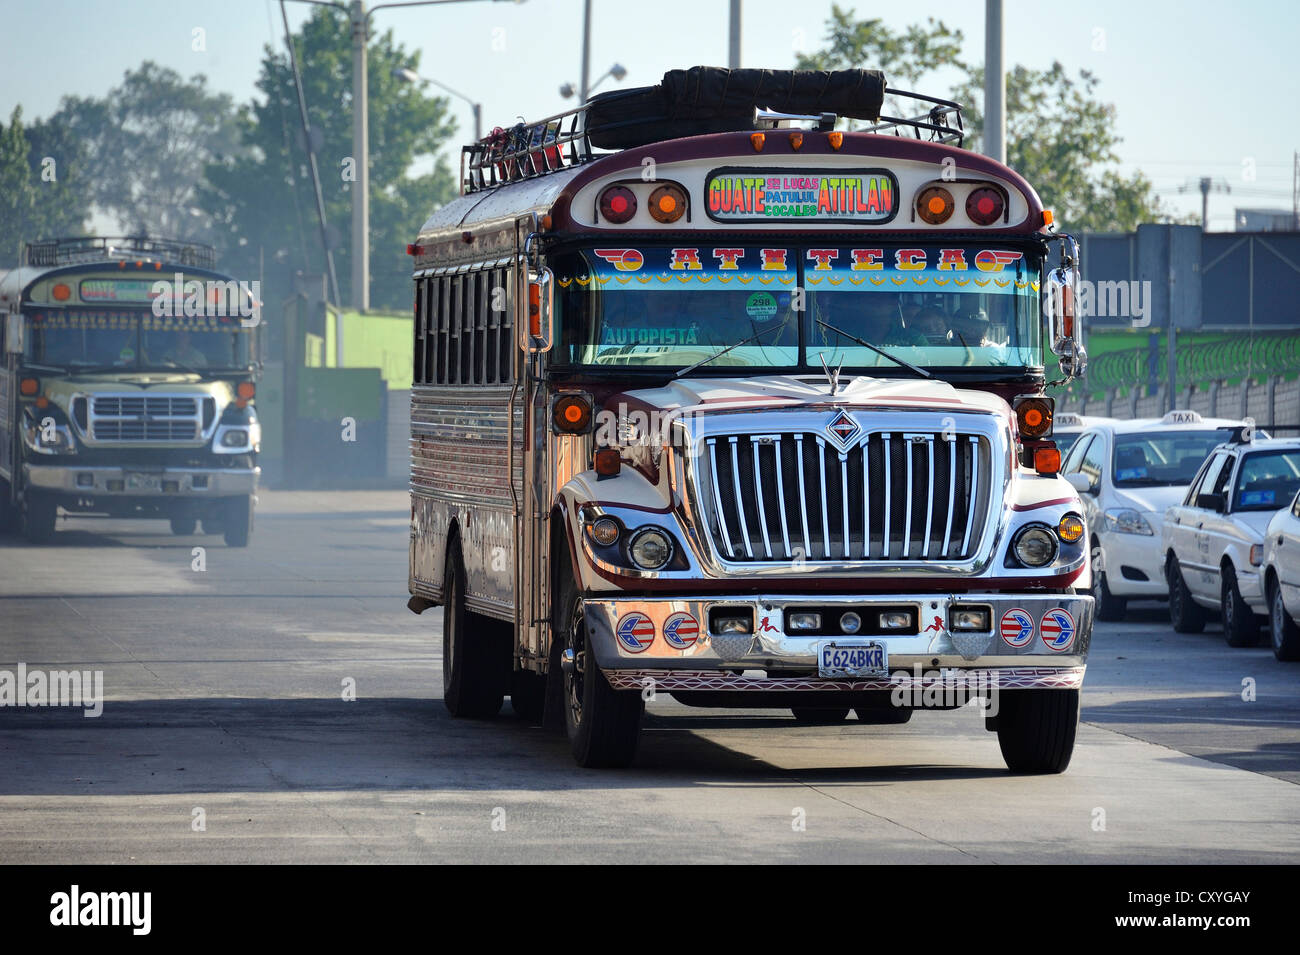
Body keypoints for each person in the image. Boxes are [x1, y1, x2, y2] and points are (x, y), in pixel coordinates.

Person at [816, 292, 927, 347]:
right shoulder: (839, 336)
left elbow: (927, 365)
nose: (874, 301)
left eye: (881, 297)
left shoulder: (914, 339)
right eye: (871, 297)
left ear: (894, 303)